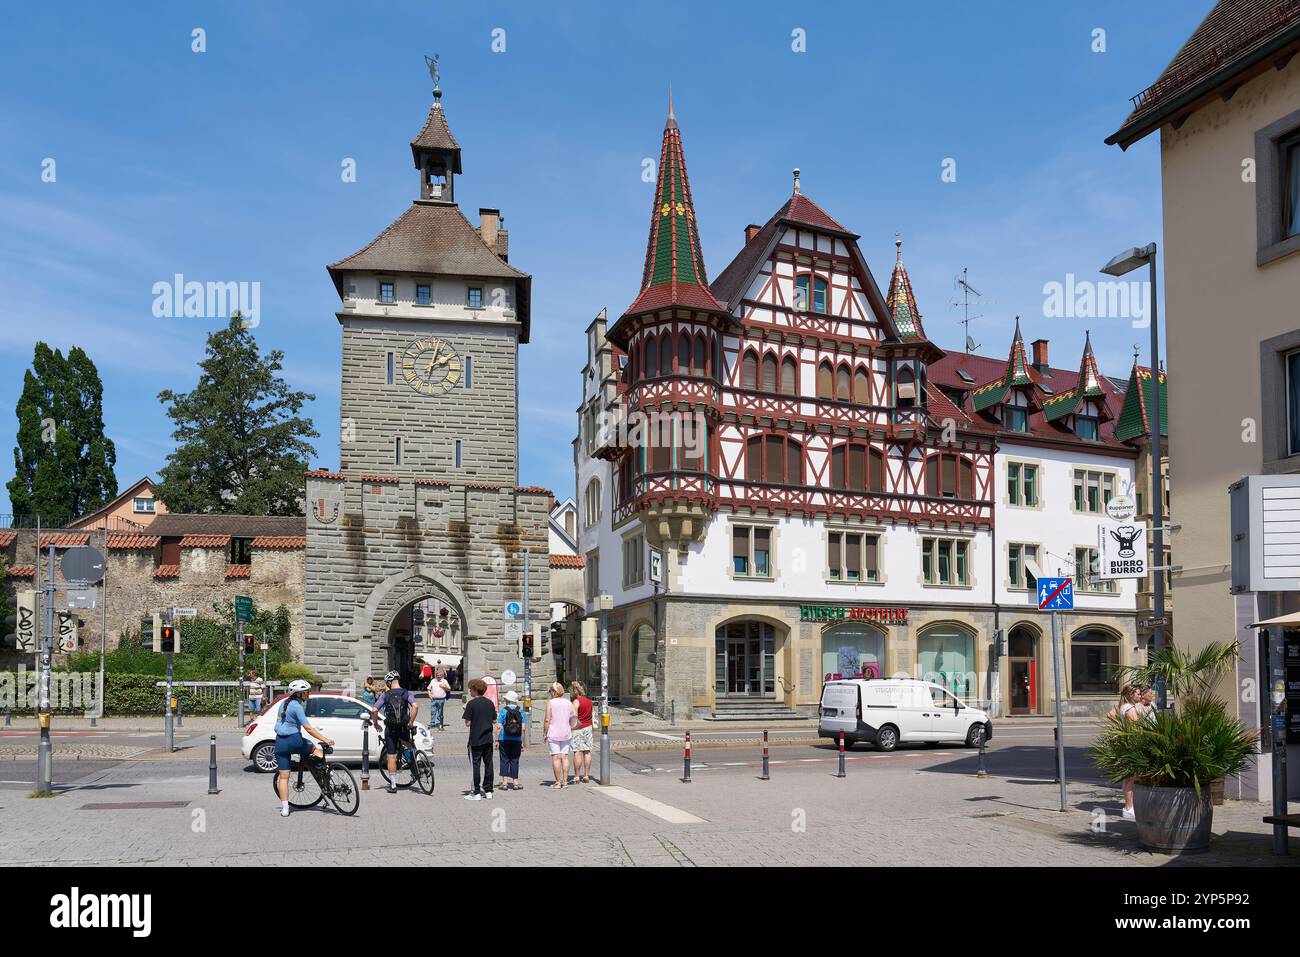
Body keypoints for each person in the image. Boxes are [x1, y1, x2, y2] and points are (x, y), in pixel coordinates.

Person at [274, 679, 334, 817]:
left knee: (283, 778)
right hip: (294, 740)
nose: (309, 694)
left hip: (280, 743)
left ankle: (285, 809)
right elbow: (308, 728)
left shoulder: (283, 703)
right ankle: (326, 771)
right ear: (299, 694)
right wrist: (325, 739)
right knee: (313, 748)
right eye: (306, 692)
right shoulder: (297, 707)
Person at [371, 671, 419, 795]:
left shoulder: (385, 695)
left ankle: (393, 785)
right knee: (410, 747)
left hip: (391, 728)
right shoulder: (406, 693)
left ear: (389, 682)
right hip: (403, 727)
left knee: (391, 756)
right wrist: (411, 721)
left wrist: (375, 724)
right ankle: (416, 770)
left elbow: (374, 709)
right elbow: (415, 706)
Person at [1111, 684, 1143, 821]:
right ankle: (1129, 807)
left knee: (1128, 777)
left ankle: (1128, 806)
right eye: (1137, 694)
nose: (1140, 696)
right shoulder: (1129, 709)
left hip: (1127, 743)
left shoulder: (1123, 707)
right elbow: (1138, 727)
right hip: (1133, 744)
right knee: (1131, 778)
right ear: (1130, 695)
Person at [462, 677, 496, 800]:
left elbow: (467, 723)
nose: (470, 692)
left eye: (471, 690)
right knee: (488, 764)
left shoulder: (471, 704)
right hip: (488, 738)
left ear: (476, 690)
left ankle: (475, 792)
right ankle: (488, 790)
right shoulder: (490, 703)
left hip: (476, 739)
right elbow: (494, 720)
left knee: (475, 765)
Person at [543, 682, 573, 789]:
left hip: (553, 732)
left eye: (551, 691)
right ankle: (565, 782)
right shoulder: (568, 702)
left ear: (554, 692)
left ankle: (557, 782)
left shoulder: (551, 703)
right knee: (565, 757)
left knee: (556, 757)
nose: (550, 693)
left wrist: (545, 733)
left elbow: (547, 719)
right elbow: (573, 718)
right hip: (566, 732)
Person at [497, 690, 525, 790]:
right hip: (517, 739)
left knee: (504, 759)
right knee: (515, 760)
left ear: (507, 700)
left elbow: (499, 726)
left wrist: (496, 740)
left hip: (504, 738)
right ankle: (515, 782)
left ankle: (504, 783)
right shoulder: (520, 711)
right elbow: (523, 728)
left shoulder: (504, 711)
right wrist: (522, 741)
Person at [568, 681, 594, 784]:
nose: (573, 691)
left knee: (577, 752)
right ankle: (586, 775)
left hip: (578, 728)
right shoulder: (589, 701)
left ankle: (577, 776)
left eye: (574, 689)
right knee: (587, 752)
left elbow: (575, 718)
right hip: (588, 727)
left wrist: (571, 729)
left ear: (577, 690)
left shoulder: (576, 702)